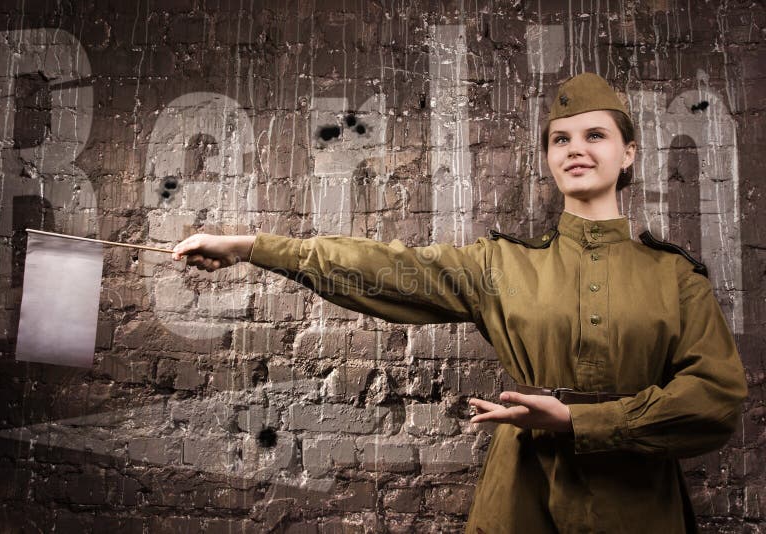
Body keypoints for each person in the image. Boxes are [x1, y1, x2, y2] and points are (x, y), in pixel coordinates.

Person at [172, 73, 747, 533]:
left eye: (595, 136)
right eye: (561, 139)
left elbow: (715, 399)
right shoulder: (502, 265)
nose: (576, 148)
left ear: (628, 154)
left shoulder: (675, 277)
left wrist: (578, 420)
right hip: (523, 498)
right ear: (549, 158)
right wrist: (250, 247)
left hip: (639, 508)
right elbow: (388, 269)